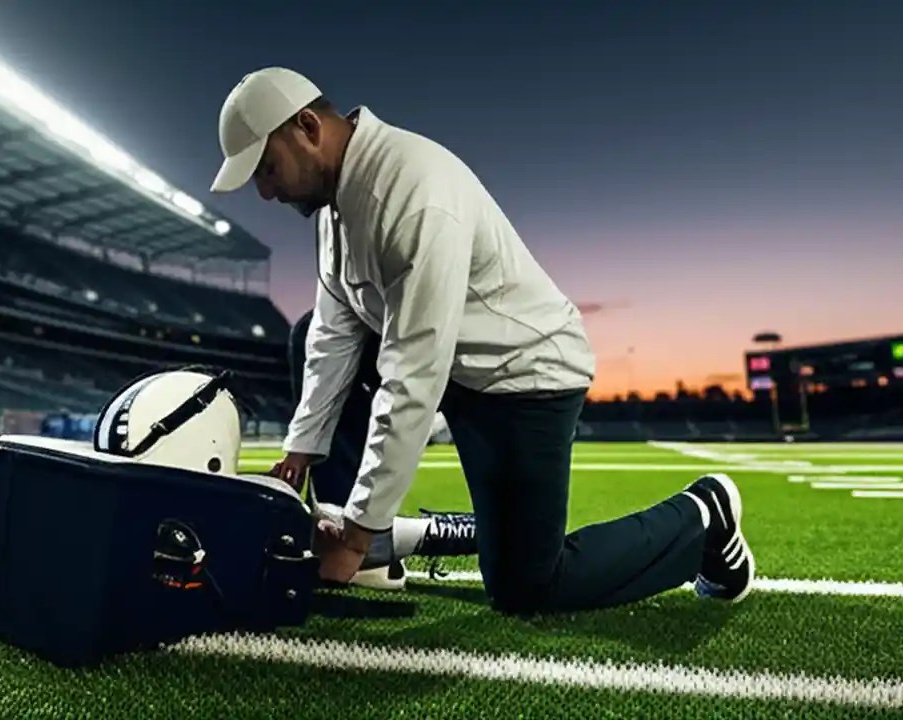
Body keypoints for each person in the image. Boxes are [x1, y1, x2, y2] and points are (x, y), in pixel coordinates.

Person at [210, 67, 755, 613]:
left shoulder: (413, 190)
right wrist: (301, 449)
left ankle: (706, 514)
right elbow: (335, 328)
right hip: (458, 368)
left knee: (528, 588)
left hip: (522, 378)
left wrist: (355, 536)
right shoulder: (335, 202)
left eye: (267, 167)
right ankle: (368, 541)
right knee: (308, 332)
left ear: (307, 127)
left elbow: (412, 371)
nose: (264, 190)